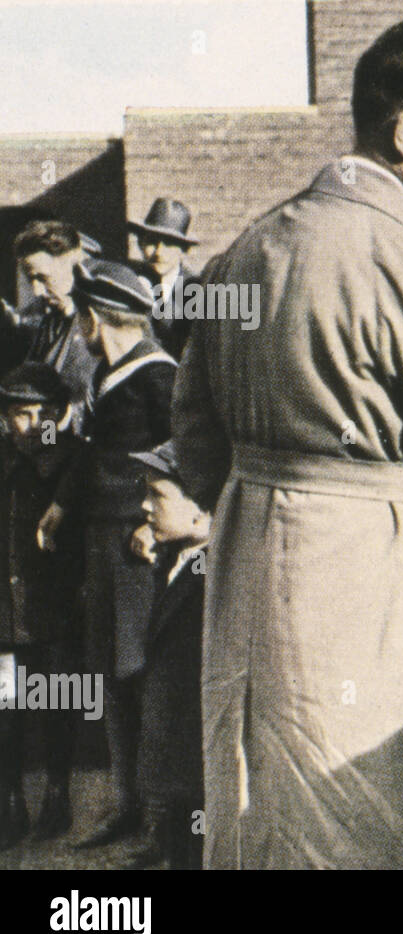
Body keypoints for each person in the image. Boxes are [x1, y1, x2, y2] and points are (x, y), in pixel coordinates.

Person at [172, 12, 403, 869]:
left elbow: (193, 438)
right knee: (387, 817)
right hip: (373, 587)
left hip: (247, 572)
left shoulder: (243, 252)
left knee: (271, 812)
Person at [39, 260, 176, 851]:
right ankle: (125, 805)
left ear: (95, 318)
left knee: (141, 677)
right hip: (102, 543)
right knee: (111, 681)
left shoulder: (157, 375)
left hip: (138, 546)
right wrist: (62, 506)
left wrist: (158, 527)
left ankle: (160, 820)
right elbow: (92, 452)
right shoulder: (107, 372)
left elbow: (186, 452)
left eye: (83, 320)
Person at [0, 363, 86, 849]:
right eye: (19, 414)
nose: (30, 426)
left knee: (57, 702)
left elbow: (80, 466)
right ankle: (10, 799)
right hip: (5, 614)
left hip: (53, 611)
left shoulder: (70, 460)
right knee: (6, 709)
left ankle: (58, 791)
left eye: (41, 415)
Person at [116, 440, 206, 870]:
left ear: (201, 509)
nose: (145, 506)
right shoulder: (175, 556)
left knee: (197, 845)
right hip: (175, 754)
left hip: (198, 752)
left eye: (158, 495)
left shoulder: (215, 570)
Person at [1, 222, 98, 426]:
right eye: (31, 280)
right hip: (50, 440)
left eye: (42, 278)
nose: (36, 291)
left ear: (74, 264)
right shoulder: (49, 323)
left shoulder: (101, 324)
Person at [128, 197, 200, 359]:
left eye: (169, 243)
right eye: (152, 242)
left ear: (183, 250)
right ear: (140, 243)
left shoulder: (197, 290)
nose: (159, 252)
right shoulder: (130, 283)